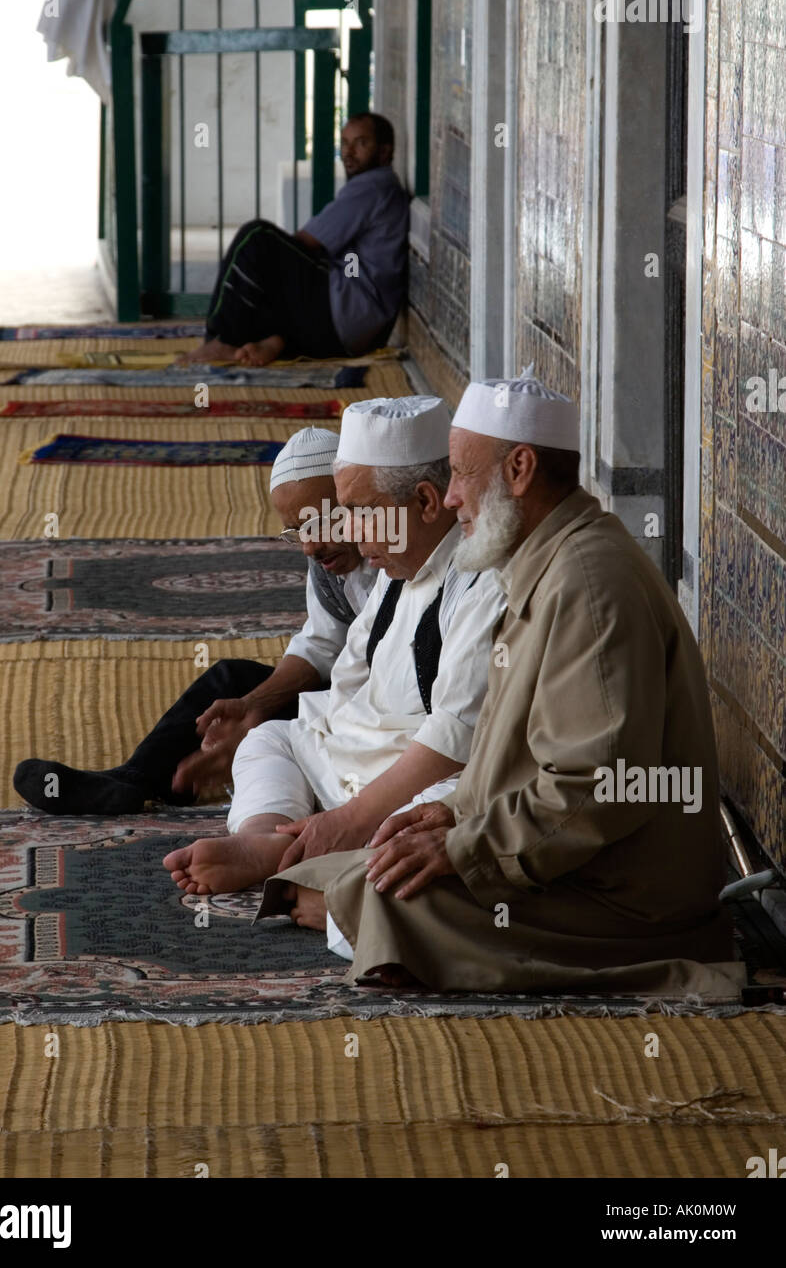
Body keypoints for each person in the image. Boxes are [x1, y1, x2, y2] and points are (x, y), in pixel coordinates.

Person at [258, 369, 746, 1001]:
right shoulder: (544, 565)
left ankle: (373, 921)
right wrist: (453, 812)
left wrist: (467, 845)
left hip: (624, 897)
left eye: (462, 474)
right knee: (360, 870)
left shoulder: (588, 585)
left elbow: (596, 787)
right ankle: (360, 911)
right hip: (565, 857)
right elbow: (518, 757)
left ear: (518, 469)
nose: (453, 498)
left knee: (387, 897)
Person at [163, 395, 506, 897]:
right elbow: (344, 674)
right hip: (358, 758)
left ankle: (316, 857)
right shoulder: (395, 568)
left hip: (414, 776)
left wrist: (349, 814)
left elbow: (455, 738)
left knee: (452, 809)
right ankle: (268, 840)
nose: (345, 531)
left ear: (428, 503)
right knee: (271, 739)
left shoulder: (479, 583)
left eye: (358, 513)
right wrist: (324, 741)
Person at [12, 428, 375, 816]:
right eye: (296, 532)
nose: (310, 547)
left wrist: (266, 721)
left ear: (356, 504)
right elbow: (321, 644)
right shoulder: (330, 553)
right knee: (232, 682)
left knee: (274, 724)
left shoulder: (395, 557)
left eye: (318, 524)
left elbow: (392, 687)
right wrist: (253, 705)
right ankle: (134, 780)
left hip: (384, 713)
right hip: (351, 693)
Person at [177, 113, 409, 368]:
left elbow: (306, 242)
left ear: (385, 151)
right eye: (344, 143)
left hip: (345, 317)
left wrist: (277, 265)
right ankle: (276, 340)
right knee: (281, 273)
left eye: (361, 143)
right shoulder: (384, 187)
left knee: (257, 238)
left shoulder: (372, 187)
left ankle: (220, 340)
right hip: (355, 334)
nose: (349, 152)